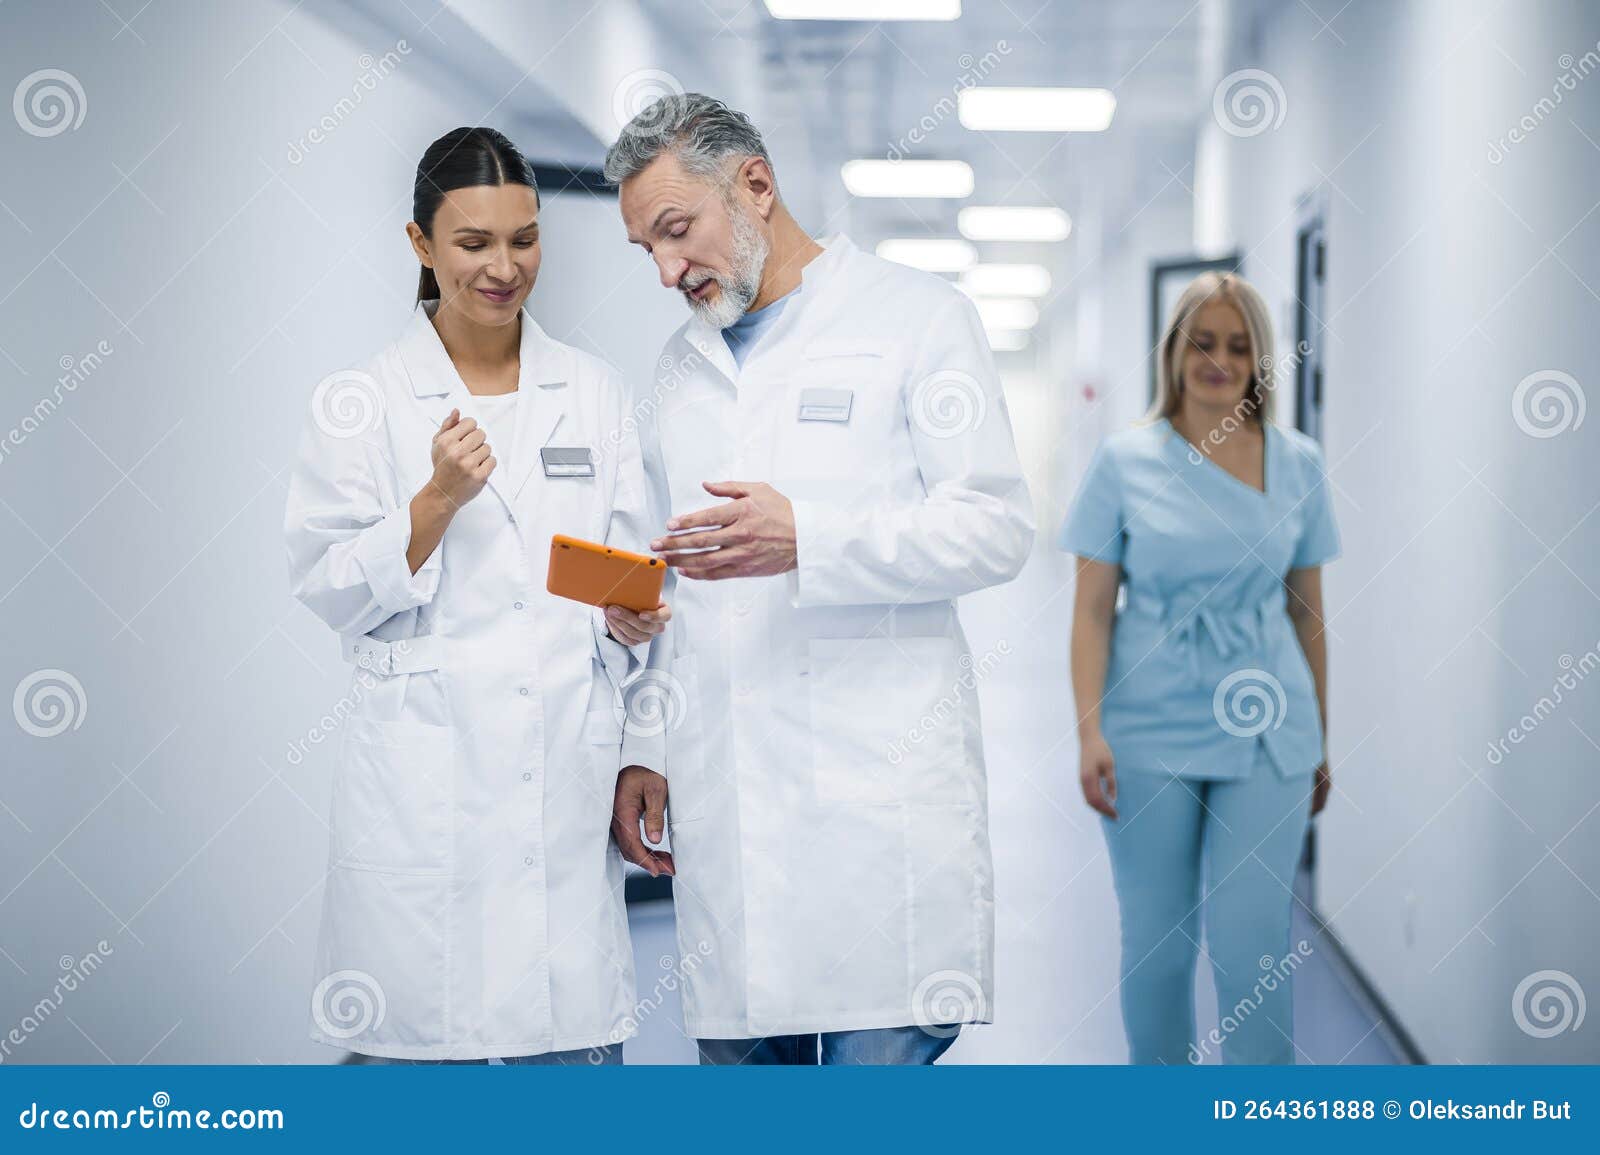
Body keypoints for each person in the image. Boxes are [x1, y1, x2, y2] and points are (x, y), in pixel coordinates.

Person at [602, 95, 1035, 1065]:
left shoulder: (917, 319)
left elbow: (996, 528)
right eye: (647, 251)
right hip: (731, 822)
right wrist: (643, 741)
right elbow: (657, 573)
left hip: (875, 818)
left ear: (754, 184)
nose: (668, 271)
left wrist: (813, 538)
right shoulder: (678, 371)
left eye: (678, 231)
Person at [283, 126, 669, 1064]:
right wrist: (435, 500)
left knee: (571, 1059)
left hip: (559, 792)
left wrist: (634, 627)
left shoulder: (595, 391)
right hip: (425, 802)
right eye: (474, 243)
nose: (505, 266)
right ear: (420, 245)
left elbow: (646, 594)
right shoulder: (363, 402)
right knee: (412, 1062)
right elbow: (328, 583)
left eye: (525, 237)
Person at [1062, 272, 1340, 1064]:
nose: (1219, 360)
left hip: (1270, 728)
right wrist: (1089, 731)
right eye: (1203, 342)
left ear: (1260, 361)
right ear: (1175, 351)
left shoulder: (1299, 464)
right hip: (1149, 723)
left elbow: (1308, 614)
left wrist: (1321, 733)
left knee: (1253, 946)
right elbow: (1089, 612)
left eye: (1239, 346)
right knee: (1159, 942)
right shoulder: (1124, 461)